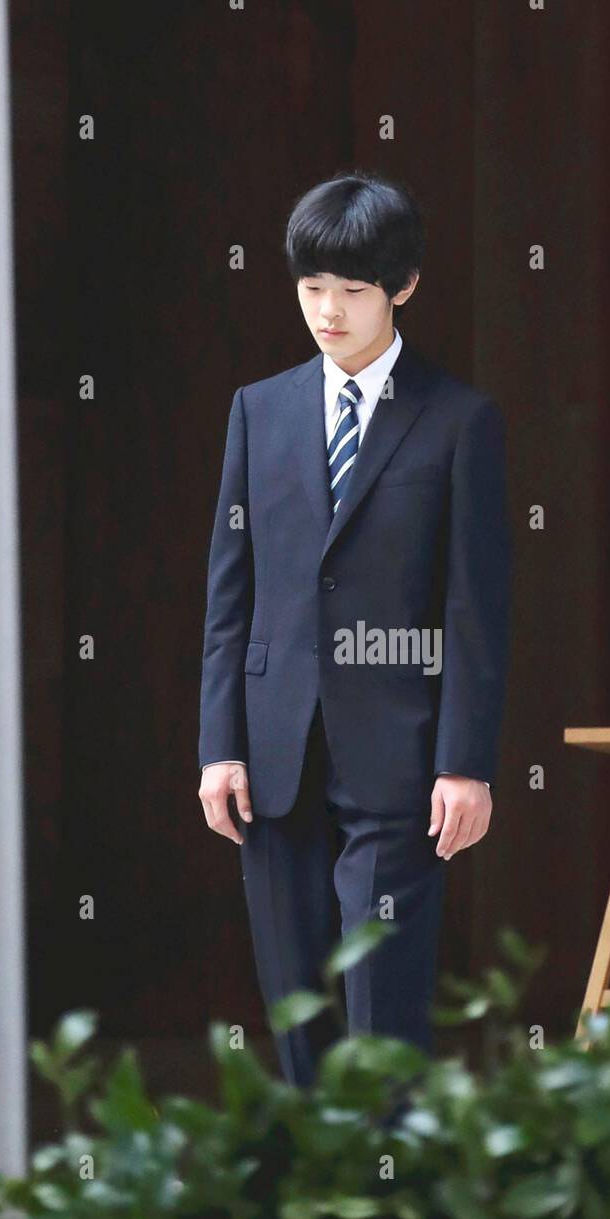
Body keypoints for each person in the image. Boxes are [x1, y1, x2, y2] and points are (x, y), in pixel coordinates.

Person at [198, 170, 510, 1086]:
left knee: (384, 998)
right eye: (310, 290)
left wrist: (467, 762)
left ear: (403, 286)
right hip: (272, 744)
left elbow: (476, 609)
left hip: (402, 753)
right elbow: (229, 593)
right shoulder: (258, 410)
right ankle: (316, 1199)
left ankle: (389, 1195)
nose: (328, 313)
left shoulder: (459, 421)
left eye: (352, 291)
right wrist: (219, 746)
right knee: (294, 1002)